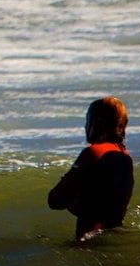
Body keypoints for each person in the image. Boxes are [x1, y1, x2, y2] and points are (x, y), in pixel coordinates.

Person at [47, 96, 134, 242]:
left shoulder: (93, 153)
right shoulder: (125, 156)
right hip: (113, 237)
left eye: (88, 119)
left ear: (96, 122)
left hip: (88, 241)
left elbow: (55, 200)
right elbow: (107, 204)